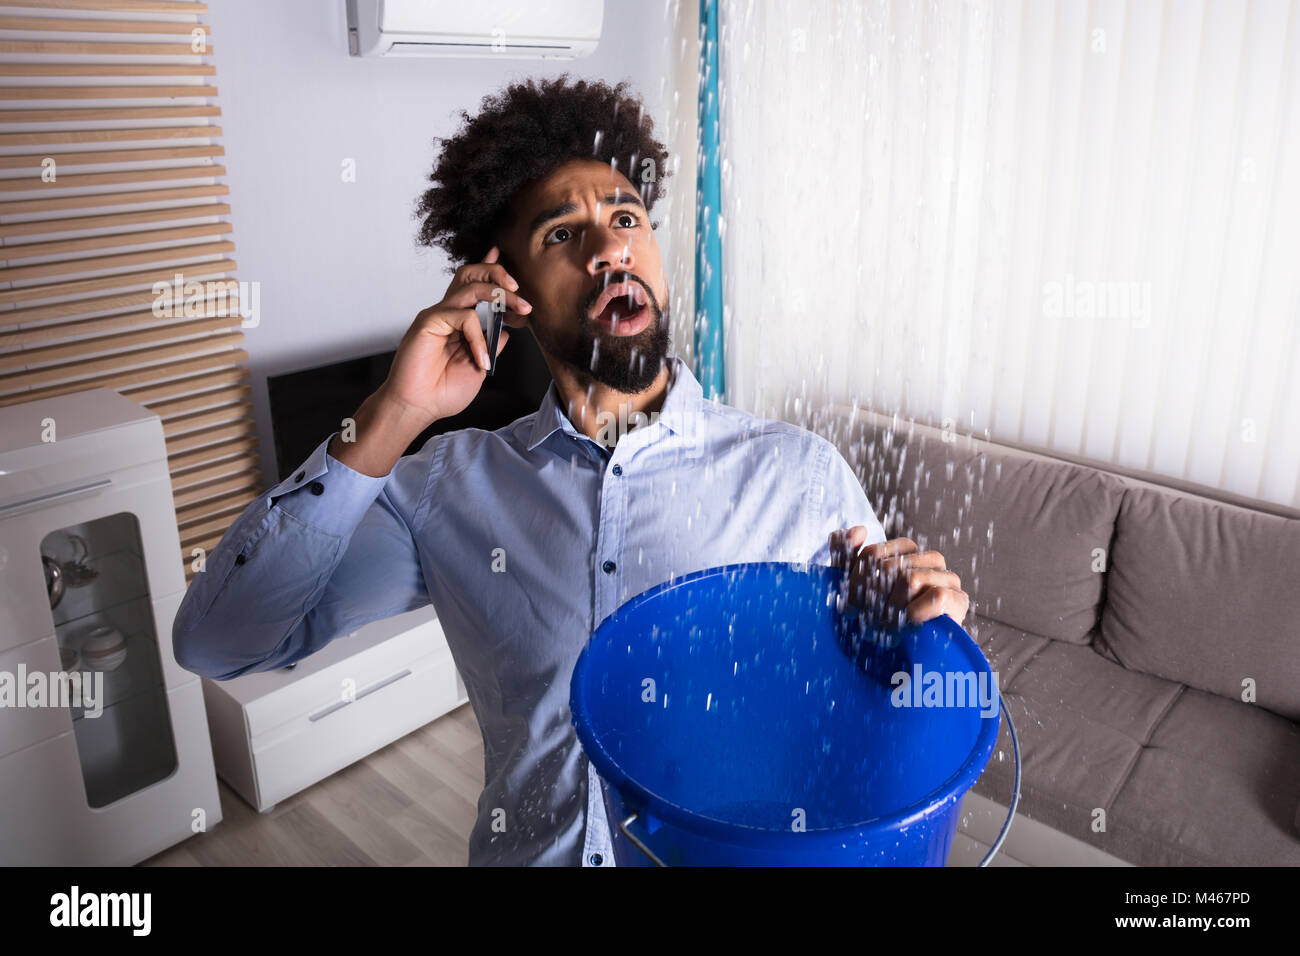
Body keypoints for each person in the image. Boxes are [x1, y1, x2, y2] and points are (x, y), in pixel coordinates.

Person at [172, 75, 970, 866]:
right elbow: (219, 642)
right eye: (562, 234)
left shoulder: (797, 474)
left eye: (626, 218)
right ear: (504, 292)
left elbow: (881, 717)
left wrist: (921, 644)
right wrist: (395, 412)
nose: (609, 246)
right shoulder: (446, 490)